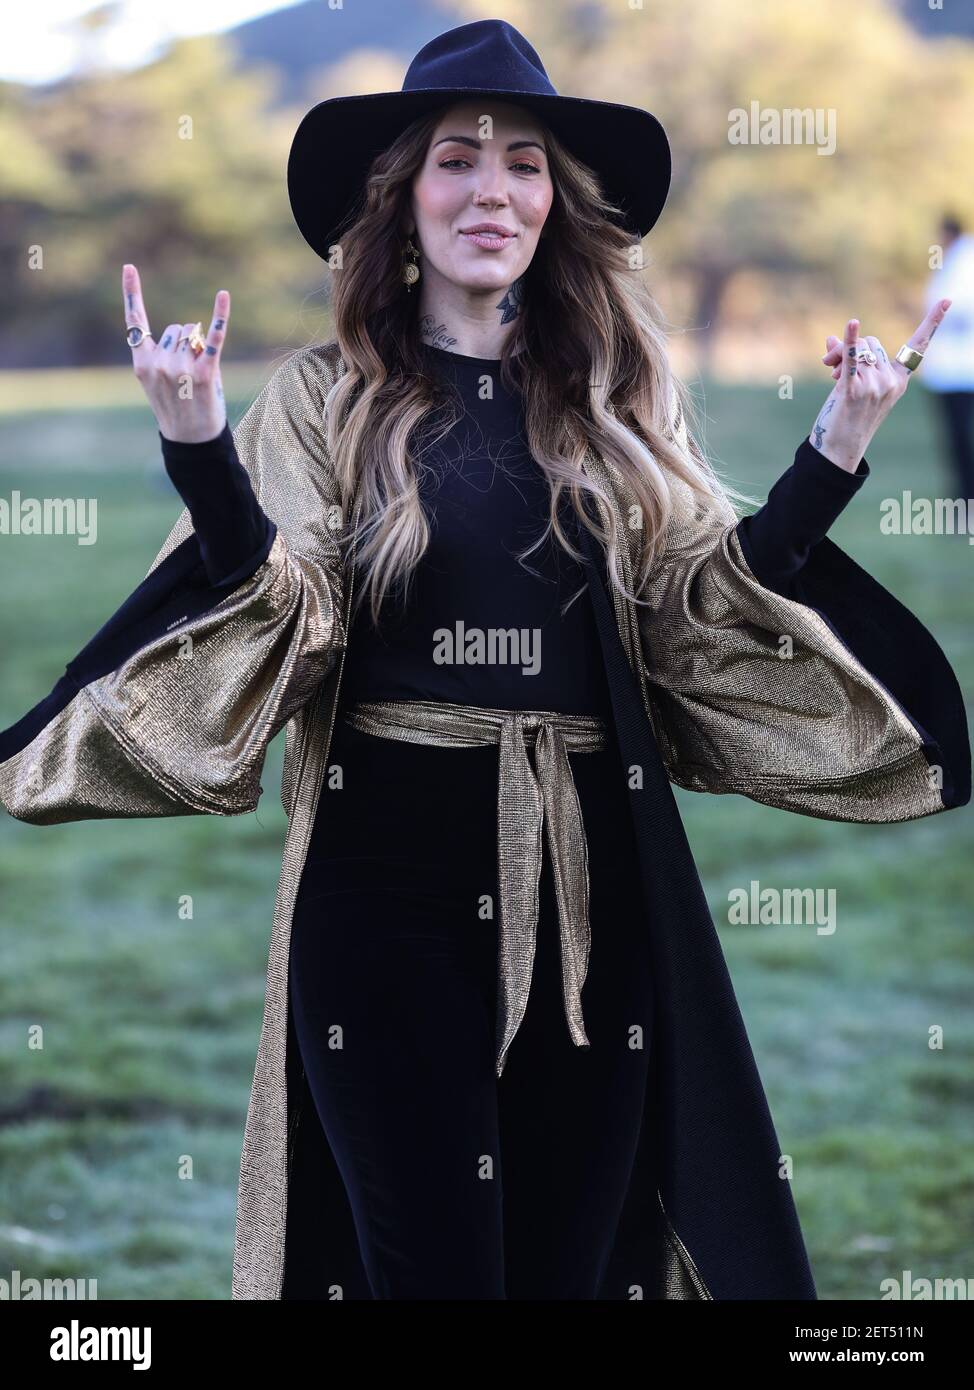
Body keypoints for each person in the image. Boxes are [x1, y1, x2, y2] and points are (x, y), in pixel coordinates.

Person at [0, 19, 969, 1302]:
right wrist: (199, 454)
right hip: (383, 890)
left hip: (593, 892)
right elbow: (275, 612)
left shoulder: (615, 391)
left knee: (573, 1266)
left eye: (522, 163)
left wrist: (831, 455)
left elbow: (686, 616)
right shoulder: (320, 396)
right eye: (456, 159)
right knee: (432, 1271)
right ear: (400, 197)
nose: (491, 189)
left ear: (553, 202)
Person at [923, 214, 974, 501]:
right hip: (948, 371)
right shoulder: (951, 262)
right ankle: (963, 499)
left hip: (962, 370)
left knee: (962, 441)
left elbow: (959, 308)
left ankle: (968, 500)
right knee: (956, 443)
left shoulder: (964, 263)